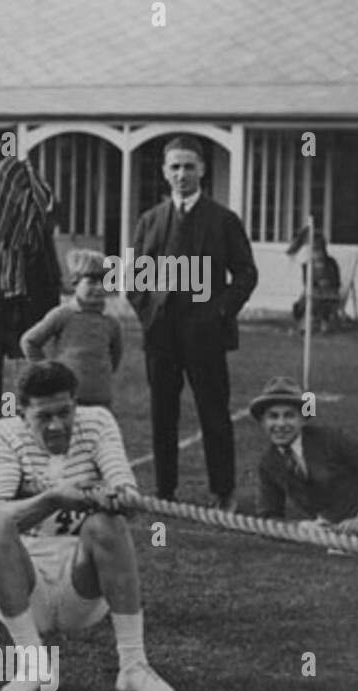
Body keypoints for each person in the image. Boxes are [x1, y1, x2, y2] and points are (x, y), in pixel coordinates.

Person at [0, 361, 177, 691]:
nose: (56, 425)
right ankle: (33, 664)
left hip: (81, 585)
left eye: (64, 412)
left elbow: (128, 493)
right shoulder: (5, 433)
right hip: (25, 585)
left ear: (75, 404)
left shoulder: (97, 422)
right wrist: (54, 498)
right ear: (22, 413)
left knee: (106, 523)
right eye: (43, 417)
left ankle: (133, 666)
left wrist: (114, 498)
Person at [128, 135, 257, 511]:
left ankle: (223, 492)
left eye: (189, 166)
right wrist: (149, 312)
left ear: (202, 169)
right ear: (164, 172)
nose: (182, 174)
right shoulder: (151, 220)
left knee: (214, 414)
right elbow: (136, 279)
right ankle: (165, 491)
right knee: (162, 415)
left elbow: (246, 274)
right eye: (175, 167)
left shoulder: (223, 220)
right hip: (162, 336)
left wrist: (219, 312)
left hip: (206, 335)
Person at [252, 375, 358, 534]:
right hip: (335, 537)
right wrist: (302, 527)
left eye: (289, 415)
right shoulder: (269, 463)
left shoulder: (330, 439)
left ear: (303, 419)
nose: (280, 424)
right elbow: (268, 517)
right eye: (273, 416)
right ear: (263, 422)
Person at [20, 248, 123, 409]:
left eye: (104, 282)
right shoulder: (63, 315)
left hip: (102, 399)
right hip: (67, 398)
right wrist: (49, 372)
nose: (98, 288)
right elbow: (30, 341)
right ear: (75, 282)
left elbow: (115, 356)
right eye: (91, 282)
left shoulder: (111, 322)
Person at [290, 234, 343, 334]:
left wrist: (326, 283)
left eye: (319, 250)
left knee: (313, 299)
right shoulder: (307, 266)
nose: (317, 254)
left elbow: (336, 281)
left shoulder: (331, 264)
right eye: (314, 250)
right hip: (315, 293)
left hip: (330, 294)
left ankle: (311, 323)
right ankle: (305, 322)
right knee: (310, 297)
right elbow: (307, 283)